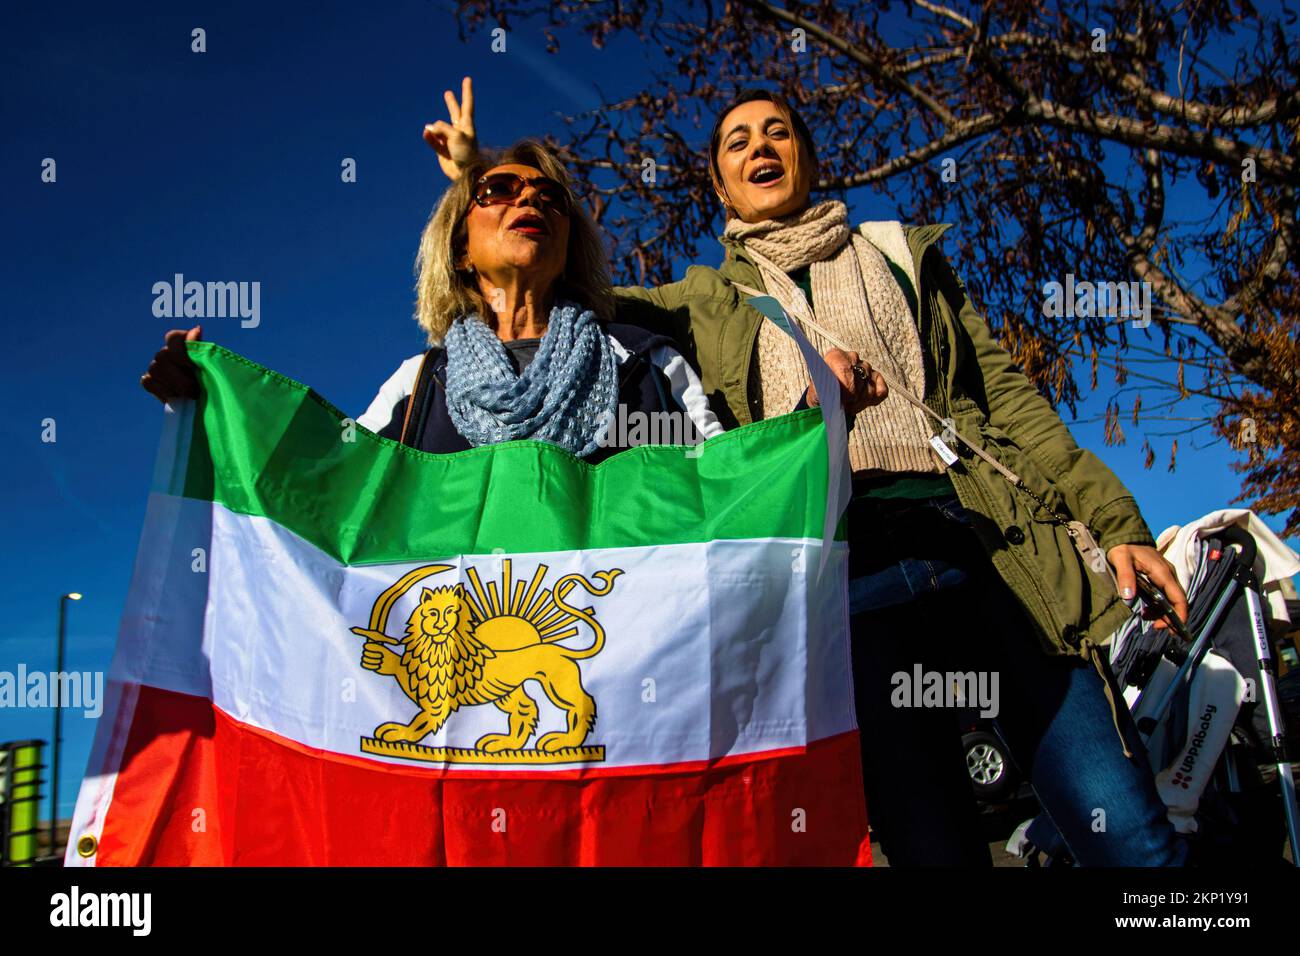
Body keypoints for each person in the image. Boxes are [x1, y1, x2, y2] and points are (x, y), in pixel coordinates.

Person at [432, 80, 1192, 866]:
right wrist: (472, 181)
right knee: (936, 855)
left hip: (991, 555)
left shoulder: (902, 256)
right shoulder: (704, 300)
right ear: (719, 186)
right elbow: (550, 275)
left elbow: (1009, 404)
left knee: (1132, 841)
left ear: (807, 157)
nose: (761, 147)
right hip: (846, 593)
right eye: (737, 142)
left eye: (777, 133)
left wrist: (1115, 525)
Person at [143, 140, 727, 461]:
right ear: (461, 249)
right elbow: (330, 481)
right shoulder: (420, 384)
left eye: (550, 197)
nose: (530, 199)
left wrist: (819, 419)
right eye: (499, 190)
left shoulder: (647, 363)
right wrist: (215, 410)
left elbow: (733, 488)